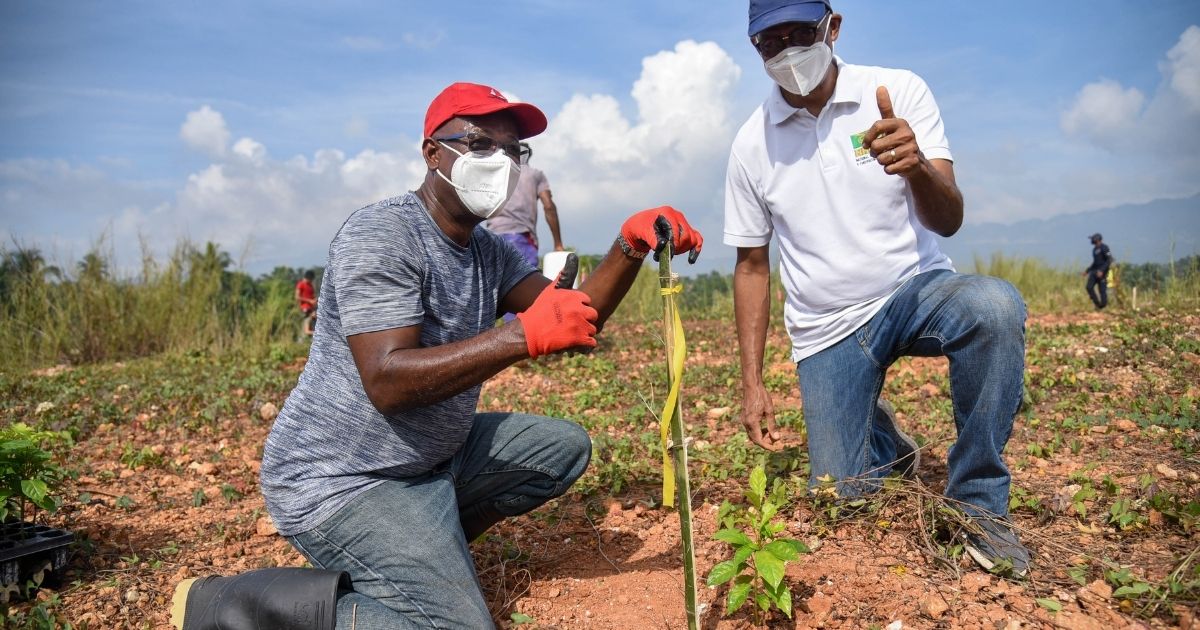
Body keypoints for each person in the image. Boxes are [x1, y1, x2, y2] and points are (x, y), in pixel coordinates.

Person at [170, 81, 703, 629]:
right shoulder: (383, 234)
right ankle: (242, 604)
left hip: (429, 460)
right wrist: (518, 338)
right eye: (478, 144)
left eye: (512, 150)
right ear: (432, 152)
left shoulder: (487, 251)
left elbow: (573, 312)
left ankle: (419, 543)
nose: (499, 162)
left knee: (561, 449)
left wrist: (629, 246)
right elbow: (387, 381)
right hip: (346, 479)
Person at [724, 0, 1031, 576]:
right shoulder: (750, 144)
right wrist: (752, 382)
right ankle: (889, 444)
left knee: (992, 306)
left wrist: (916, 166)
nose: (787, 50)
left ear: (832, 28)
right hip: (826, 328)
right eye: (770, 41)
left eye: (800, 33)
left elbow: (949, 220)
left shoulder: (898, 90)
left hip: (912, 290)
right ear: (755, 49)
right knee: (844, 497)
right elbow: (751, 266)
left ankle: (980, 505)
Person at [487, 141, 564, 320]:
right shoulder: (535, 175)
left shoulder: (496, 174)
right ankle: (518, 344)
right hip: (521, 237)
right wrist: (558, 243)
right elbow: (549, 206)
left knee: (493, 295)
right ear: (527, 155)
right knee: (521, 293)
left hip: (490, 237)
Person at [1084, 233, 1112, 310]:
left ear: (1097, 239)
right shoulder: (1094, 249)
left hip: (1102, 273)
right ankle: (1097, 304)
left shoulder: (1104, 247)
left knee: (1102, 290)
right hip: (1094, 272)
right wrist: (1087, 271)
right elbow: (1095, 262)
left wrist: (1102, 270)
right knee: (1089, 287)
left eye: (1093, 239)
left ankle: (1102, 305)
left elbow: (1109, 259)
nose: (1091, 240)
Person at [295, 269, 318, 336]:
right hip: (305, 308)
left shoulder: (310, 286)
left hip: (312, 309)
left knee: (311, 326)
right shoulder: (301, 284)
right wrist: (309, 301)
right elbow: (297, 297)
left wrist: (315, 300)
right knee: (306, 327)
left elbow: (312, 296)